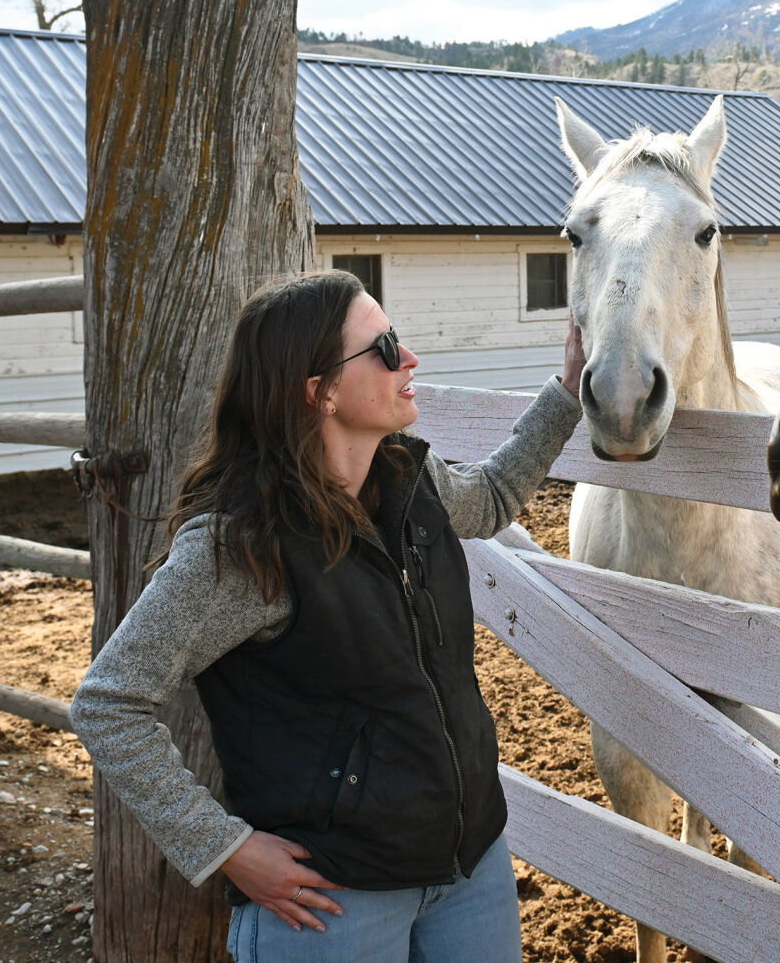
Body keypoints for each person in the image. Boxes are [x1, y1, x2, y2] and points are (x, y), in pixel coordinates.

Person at [71, 270, 585, 962]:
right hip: (334, 903)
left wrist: (569, 390)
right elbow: (109, 702)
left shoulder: (408, 480)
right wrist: (225, 847)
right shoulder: (239, 549)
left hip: (470, 869)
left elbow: (490, 495)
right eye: (384, 348)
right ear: (319, 391)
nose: (409, 360)